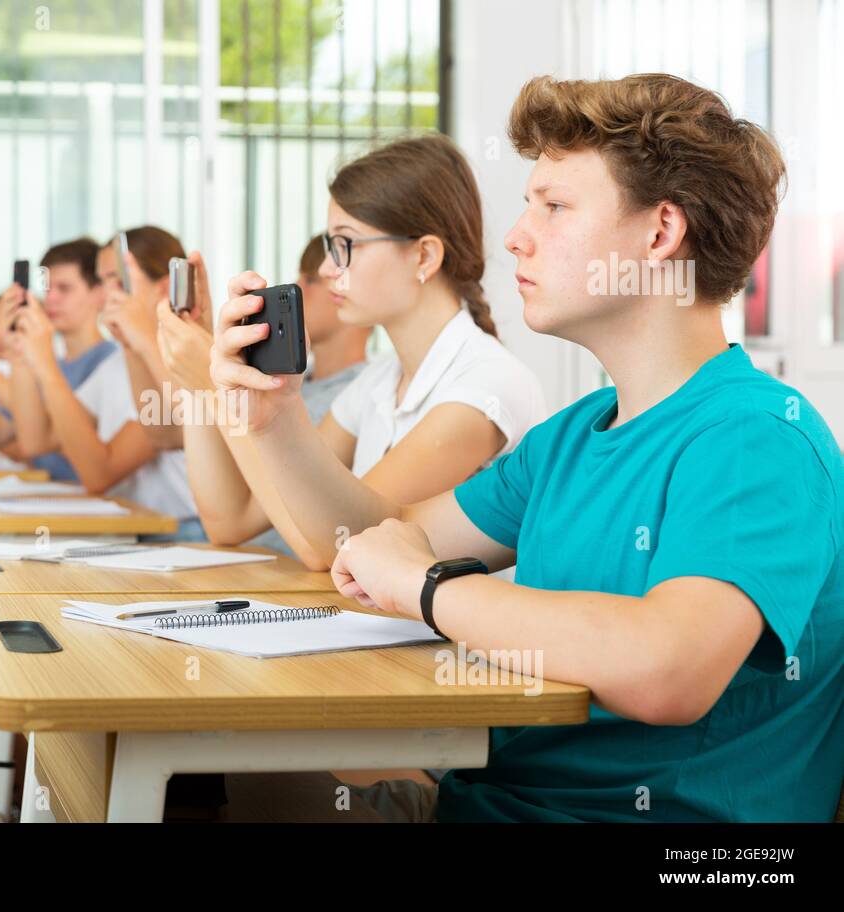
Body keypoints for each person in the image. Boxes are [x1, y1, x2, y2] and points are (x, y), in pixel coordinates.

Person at [313, 74, 839, 822]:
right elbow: (386, 532)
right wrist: (260, 415)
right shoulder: (572, 434)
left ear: (659, 234)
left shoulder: (758, 437)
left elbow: (668, 669)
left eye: (554, 206)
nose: (515, 236)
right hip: (489, 801)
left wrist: (429, 588)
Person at [203, 133, 547, 569]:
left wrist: (261, 413)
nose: (329, 270)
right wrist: (211, 383)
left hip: (446, 640)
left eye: (344, 245)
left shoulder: (488, 387)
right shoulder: (379, 381)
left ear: (424, 256)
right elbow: (231, 520)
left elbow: (333, 548)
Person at [156, 235, 370, 557]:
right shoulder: (285, 381)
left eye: (309, 280)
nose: (299, 286)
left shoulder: (358, 392)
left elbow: (312, 547)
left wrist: (208, 383)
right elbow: (225, 522)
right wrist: (197, 376)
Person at [8, 226, 202, 538]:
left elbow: (99, 475)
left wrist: (46, 367)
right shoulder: (116, 364)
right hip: (133, 528)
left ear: (163, 288)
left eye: (116, 279)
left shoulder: (182, 359)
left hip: (182, 532)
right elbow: (37, 441)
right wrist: (22, 355)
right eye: (103, 280)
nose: (105, 293)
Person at [0, 239, 115, 480]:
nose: (51, 299)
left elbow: (52, 434)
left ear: (99, 295)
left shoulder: (108, 362)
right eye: (48, 289)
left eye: (64, 289)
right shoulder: (50, 364)